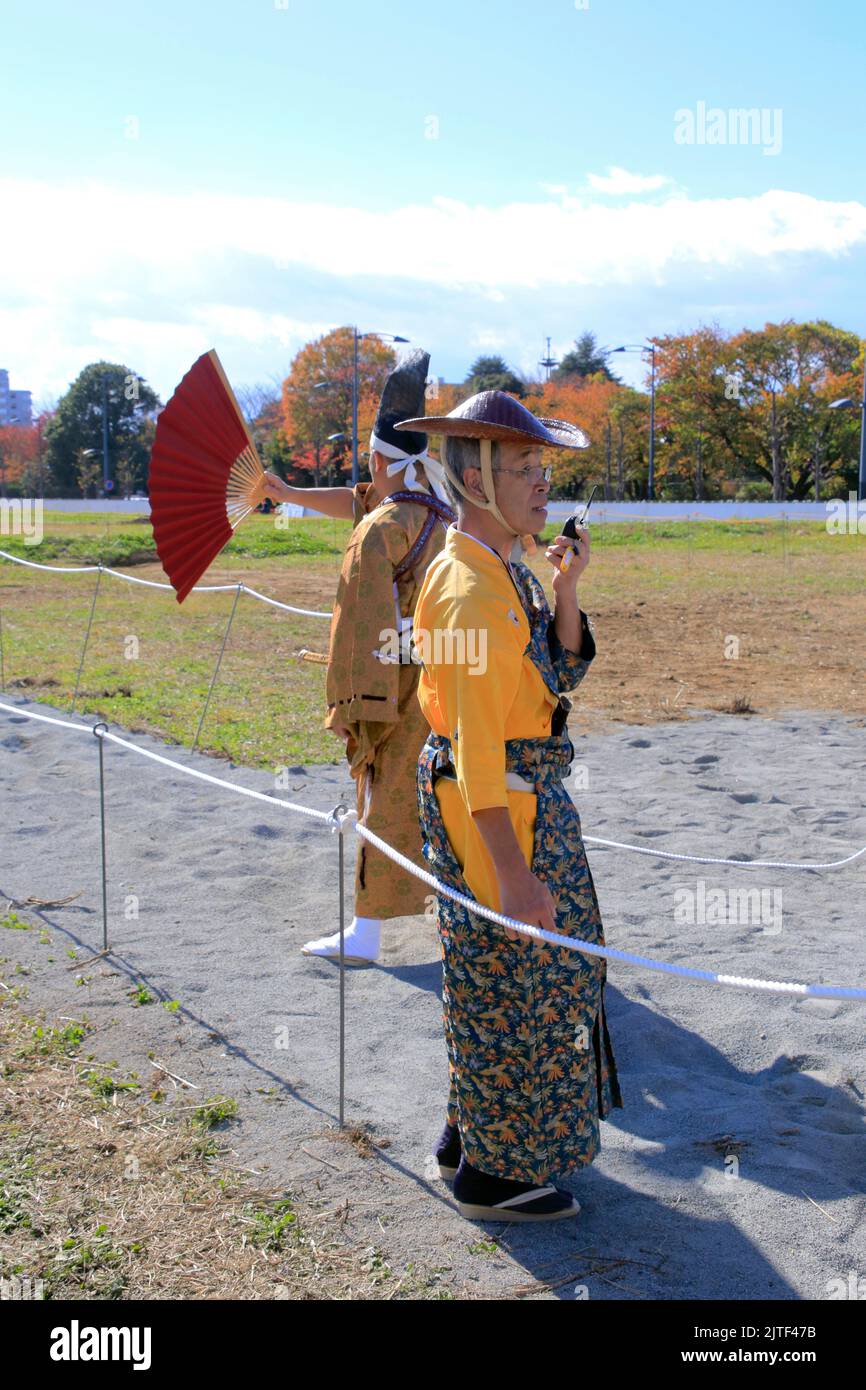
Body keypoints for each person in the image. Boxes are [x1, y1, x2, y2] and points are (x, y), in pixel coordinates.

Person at [395, 389, 624, 1221]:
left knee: (504, 969)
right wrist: (512, 873)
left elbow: (551, 682)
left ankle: (474, 1133)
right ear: (477, 478)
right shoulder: (469, 592)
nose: (541, 483)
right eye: (524, 468)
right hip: (498, 803)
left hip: (514, 793)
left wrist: (566, 588)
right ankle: (495, 1174)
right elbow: (476, 753)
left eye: (541, 467)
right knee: (521, 972)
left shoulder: (501, 566)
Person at [265, 350, 454, 963]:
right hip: (456, 682)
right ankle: (458, 924)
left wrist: (356, 704)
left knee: (386, 798)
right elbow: (360, 502)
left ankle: (367, 935)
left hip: (400, 690)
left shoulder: (380, 529)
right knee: (451, 797)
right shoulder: (443, 515)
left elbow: (362, 623)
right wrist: (287, 491)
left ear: (376, 460)